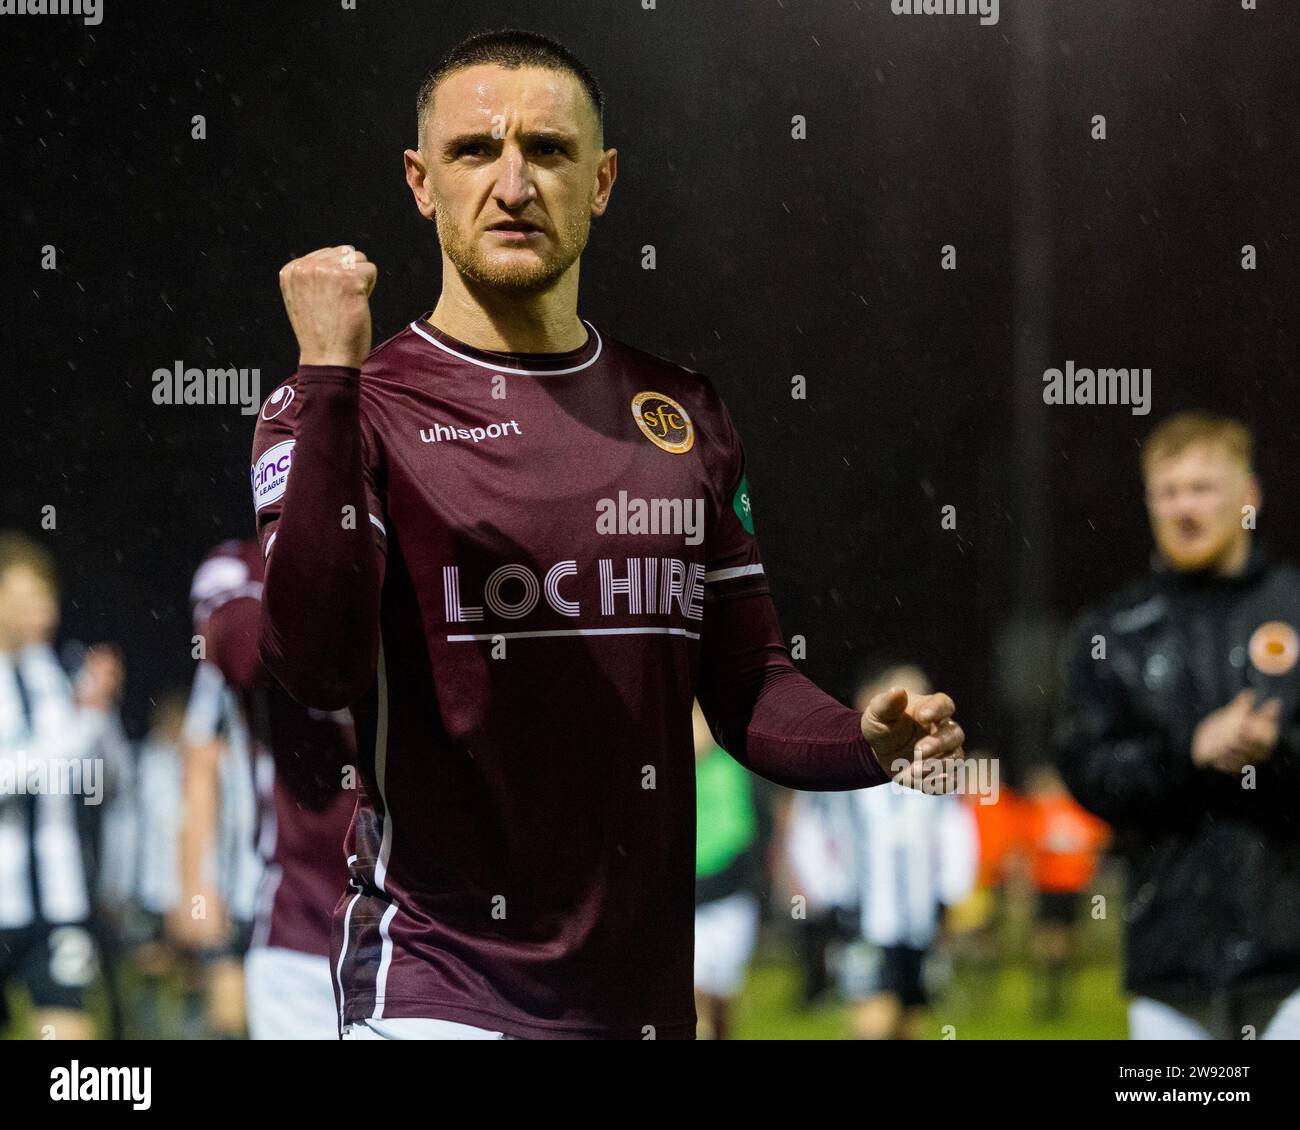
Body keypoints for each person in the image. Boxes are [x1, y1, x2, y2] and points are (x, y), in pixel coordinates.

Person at [254, 29, 967, 1040]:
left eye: (547, 150)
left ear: (602, 180)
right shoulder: (347, 408)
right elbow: (316, 665)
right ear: (420, 182)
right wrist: (328, 374)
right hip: (436, 993)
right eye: (473, 151)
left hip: (642, 1009)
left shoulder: (683, 413)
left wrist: (864, 738)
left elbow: (747, 681)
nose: (512, 182)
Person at [1056, 412, 1300, 1039]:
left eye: (1203, 488)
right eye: (1168, 491)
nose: (1183, 507)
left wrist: (1276, 753)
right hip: (1172, 966)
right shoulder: (1115, 631)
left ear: (1249, 497)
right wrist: (1188, 751)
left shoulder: (1296, 610)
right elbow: (1087, 770)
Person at [180, 540, 356, 1039]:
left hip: (431, 932)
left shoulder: (428, 548)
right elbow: (241, 651)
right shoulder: (238, 567)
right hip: (301, 921)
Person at [0, 532, 122, 1040]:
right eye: (25, 597)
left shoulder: (62, 670)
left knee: (72, 1042)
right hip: (4, 895)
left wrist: (99, 716)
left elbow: (108, 781)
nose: (41, 610)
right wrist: (80, 725)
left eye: (44, 596)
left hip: (60, 897)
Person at [841, 665, 978, 1040]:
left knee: (909, 1017)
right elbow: (820, 832)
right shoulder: (848, 766)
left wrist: (951, 893)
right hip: (866, 915)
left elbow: (955, 834)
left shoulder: (939, 770)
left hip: (919, 916)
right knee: (872, 1017)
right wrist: (833, 891)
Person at [692, 702, 761, 1039]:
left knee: (720, 1007)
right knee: (693, 1005)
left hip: (729, 901)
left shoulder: (731, 768)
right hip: (684, 907)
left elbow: (745, 835)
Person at [1022, 763, 1109, 1021]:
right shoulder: (1054, 812)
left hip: (1064, 886)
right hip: (1053, 885)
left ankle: (1052, 993)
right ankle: (1050, 992)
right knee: (1055, 941)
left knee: (1058, 941)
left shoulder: (1061, 812)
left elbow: (1097, 839)